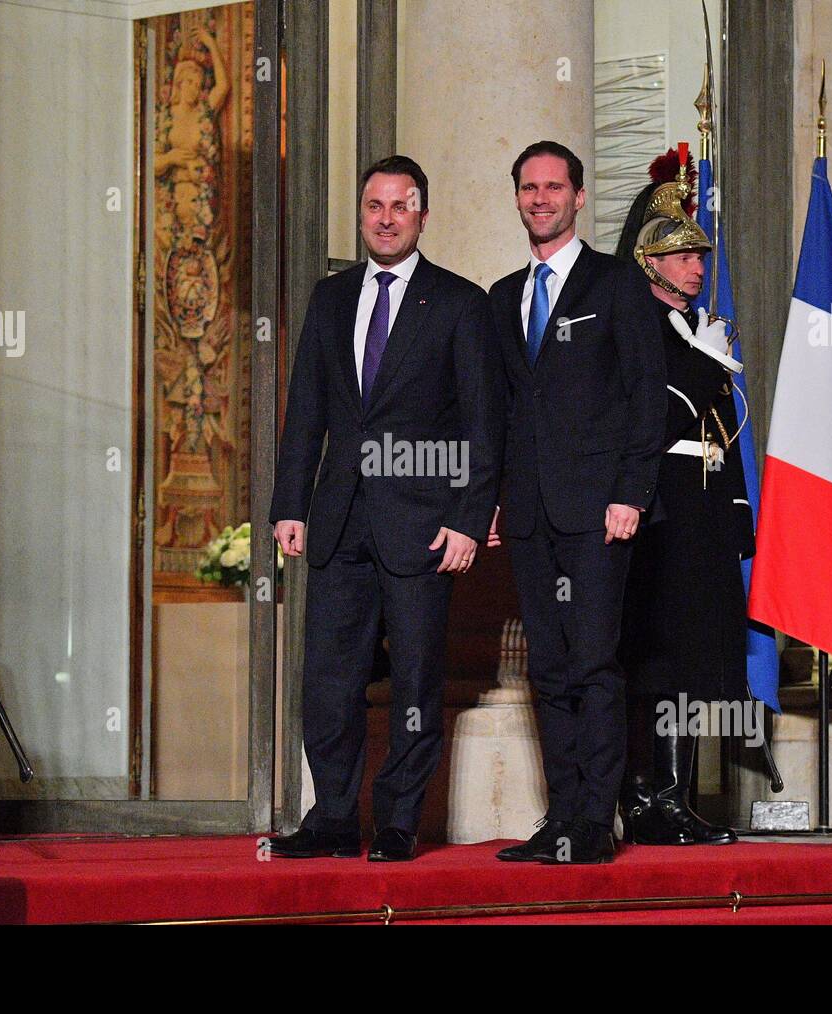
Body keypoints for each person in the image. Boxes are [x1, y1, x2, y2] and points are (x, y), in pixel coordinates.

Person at [268, 155, 501, 862]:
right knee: (328, 681)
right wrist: (291, 504)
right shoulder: (331, 298)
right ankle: (334, 817)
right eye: (375, 205)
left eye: (402, 206)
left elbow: (483, 424)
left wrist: (468, 517)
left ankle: (398, 821)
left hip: (424, 526)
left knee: (416, 679)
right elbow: (307, 408)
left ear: (422, 216)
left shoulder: (461, 303)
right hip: (339, 520)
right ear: (362, 212)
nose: (387, 217)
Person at [487, 142, 665, 864]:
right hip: (529, 516)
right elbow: (498, 412)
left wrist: (631, 493)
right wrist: (494, 503)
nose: (540, 199)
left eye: (554, 187)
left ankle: (595, 821)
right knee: (549, 668)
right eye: (529, 188)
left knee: (593, 663)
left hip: (598, 513)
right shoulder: (504, 296)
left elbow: (647, 397)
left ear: (579, 197)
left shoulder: (618, 284)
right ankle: (559, 818)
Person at [613, 147, 750, 846]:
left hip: (700, 518)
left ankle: (676, 795)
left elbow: (721, 440)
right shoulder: (641, 330)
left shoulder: (696, 333)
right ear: (649, 260)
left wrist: (737, 517)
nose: (698, 266)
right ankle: (648, 796)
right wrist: (702, 363)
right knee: (657, 659)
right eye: (683, 255)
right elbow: (654, 419)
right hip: (659, 513)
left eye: (700, 255)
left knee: (698, 658)